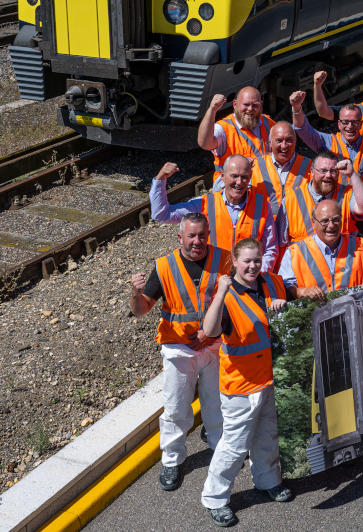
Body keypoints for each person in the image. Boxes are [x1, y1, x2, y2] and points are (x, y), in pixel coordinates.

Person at [129, 213, 227, 492]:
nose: (197, 241)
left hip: (214, 344)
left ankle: (220, 449)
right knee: (175, 408)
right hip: (178, 349)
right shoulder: (164, 266)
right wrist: (135, 293)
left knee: (217, 402)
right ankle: (172, 460)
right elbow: (141, 310)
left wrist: (209, 333)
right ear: (180, 237)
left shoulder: (224, 259)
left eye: (202, 235)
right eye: (191, 236)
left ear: (208, 235)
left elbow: (232, 301)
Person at [199, 238, 292, 526]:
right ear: (235, 262)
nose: (253, 266)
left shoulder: (271, 283)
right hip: (241, 386)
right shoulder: (227, 296)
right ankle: (215, 499)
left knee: (267, 436)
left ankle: (268, 481)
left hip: (269, 378)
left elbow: (287, 313)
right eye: (247, 261)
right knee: (234, 446)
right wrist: (220, 292)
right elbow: (209, 330)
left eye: (257, 260)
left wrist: (283, 304)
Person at [150, 156, 280, 271]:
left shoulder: (262, 205)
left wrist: (258, 275)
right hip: (214, 277)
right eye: (234, 176)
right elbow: (162, 214)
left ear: (250, 177)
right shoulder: (205, 203)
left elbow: (270, 248)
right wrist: (160, 179)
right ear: (222, 176)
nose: (239, 182)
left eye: (244, 177)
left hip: (249, 278)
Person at [279, 199, 363, 299]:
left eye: (336, 219)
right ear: (314, 222)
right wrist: (302, 291)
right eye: (325, 221)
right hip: (315, 309)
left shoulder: (360, 246)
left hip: (356, 307)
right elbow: (285, 286)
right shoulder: (295, 253)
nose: (331, 225)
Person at [291, 82, 363, 185]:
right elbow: (303, 129)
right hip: (337, 195)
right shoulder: (328, 142)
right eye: (345, 122)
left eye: (354, 122)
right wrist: (296, 108)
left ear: (361, 124)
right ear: (339, 124)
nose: (350, 126)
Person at [281, 151, 363, 243]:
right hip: (303, 253)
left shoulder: (346, 193)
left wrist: (352, 174)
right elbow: (280, 241)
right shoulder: (291, 199)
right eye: (323, 171)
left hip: (342, 253)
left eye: (333, 171)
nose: (328, 175)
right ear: (312, 171)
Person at [198, 87, 272, 188]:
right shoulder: (223, 128)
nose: (250, 109)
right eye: (246, 104)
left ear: (261, 105)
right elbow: (204, 143)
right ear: (235, 104)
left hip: (264, 184)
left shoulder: (268, 122)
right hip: (232, 189)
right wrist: (212, 110)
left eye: (255, 105)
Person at [251, 121, 311, 204]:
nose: (284, 146)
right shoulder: (254, 167)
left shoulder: (310, 167)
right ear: (270, 142)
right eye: (279, 141)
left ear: (295, 141)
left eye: (289, 140)